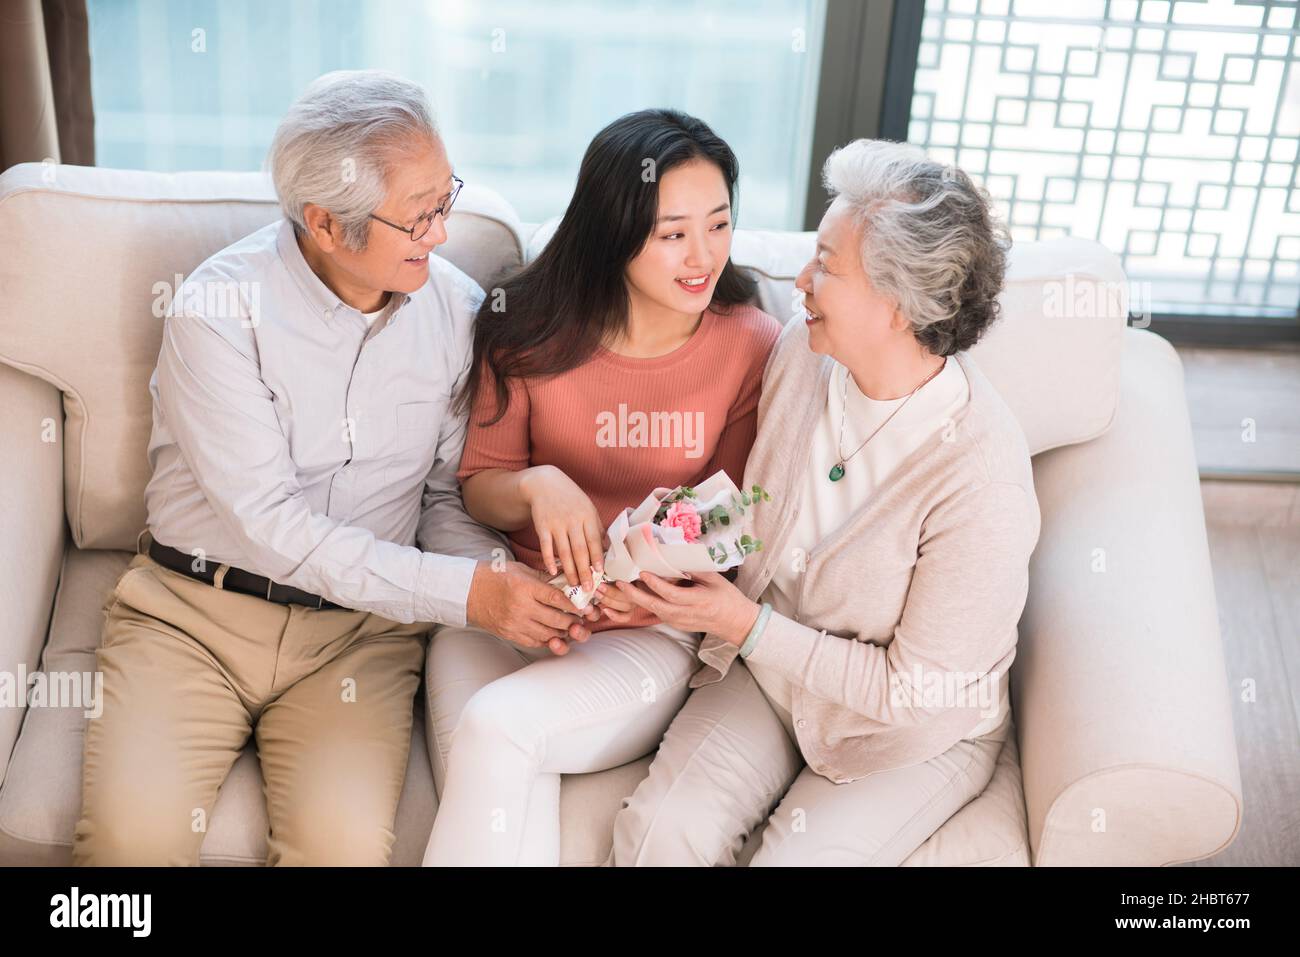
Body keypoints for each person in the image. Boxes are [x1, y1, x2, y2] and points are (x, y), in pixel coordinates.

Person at [73, 70, 592, 867]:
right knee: (126, 851)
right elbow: (276, 529)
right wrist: (469, 595)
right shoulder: (218, 312)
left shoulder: (454, 313)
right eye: (419, 216)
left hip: (357, 640)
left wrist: (505, 583)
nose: (443, 233)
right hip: (191, 617)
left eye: (445, 198)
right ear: (324, 223)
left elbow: (440, 499)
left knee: (342, 852)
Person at [609, 139, 1040, 866]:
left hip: (907, 730)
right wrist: (665, 553)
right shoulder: (803, 355)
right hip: (768, 674)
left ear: (899, 305)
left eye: (828, 267)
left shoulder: (981, 479)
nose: (801, 280)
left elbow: (913, 690)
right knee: (660, 836)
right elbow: (762, 511)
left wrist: (743, 622)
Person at [422, 109, 781, 866]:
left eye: (718, 225)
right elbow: (480, 482)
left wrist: (648, 577)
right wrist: (539, 485)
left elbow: (737, 516)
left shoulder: (748, 342)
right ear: (612, 230)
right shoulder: (525, 328)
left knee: (496, 731)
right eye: (673, 232)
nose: (703, 256)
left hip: (641, 631)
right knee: (504, 772)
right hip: (507, 604)